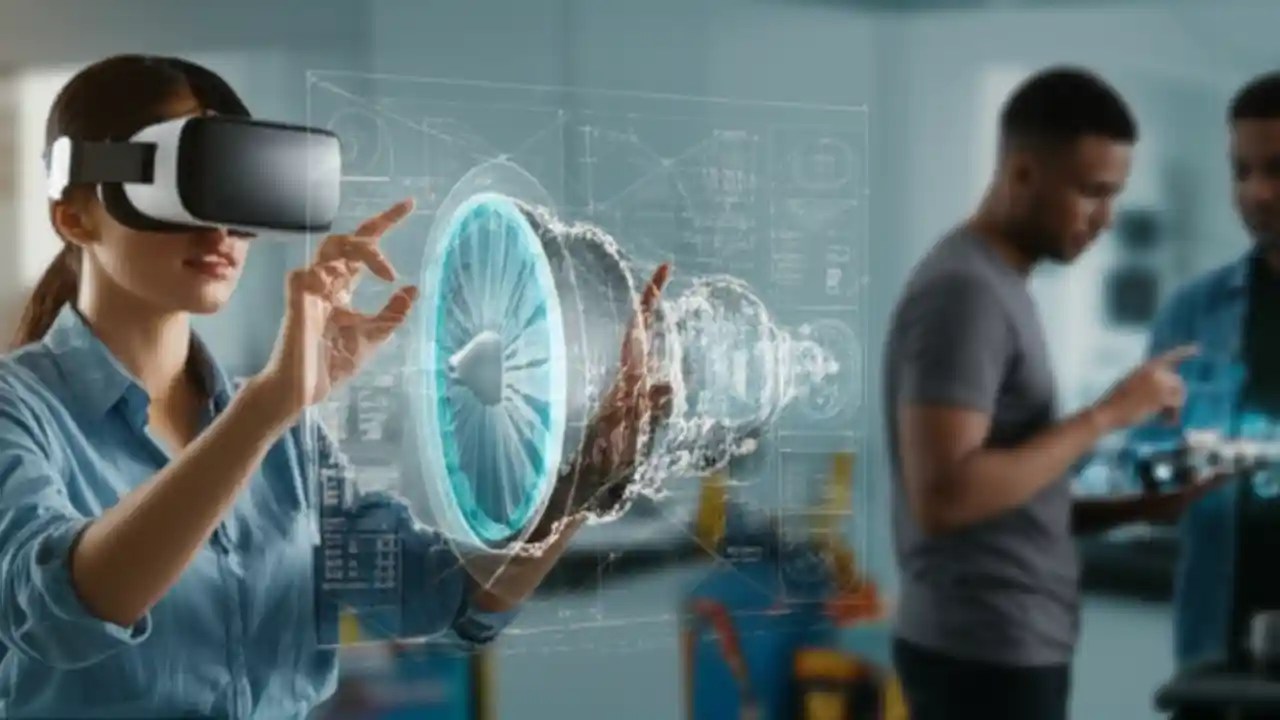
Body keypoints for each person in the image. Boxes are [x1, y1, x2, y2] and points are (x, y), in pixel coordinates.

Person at [0, 54, 672, 718]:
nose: (220, 231)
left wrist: (580, 481)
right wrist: (266, 408)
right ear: (75, 216)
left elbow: (448, 601)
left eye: (238, 193)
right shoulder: (22, 413)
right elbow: (58, 610)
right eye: (187, 183)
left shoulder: (284, 436)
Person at [884, 66, 1225, 720]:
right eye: (1091, 192)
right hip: (980, 655)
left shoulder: (1003, 284)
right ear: (1020, 175)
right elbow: (945, 498)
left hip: (1009, 647)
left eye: (1115, 194)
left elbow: (1006, 491)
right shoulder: (966, 292)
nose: (1106, 219)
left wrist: (1138, 509)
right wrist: (1110, 413)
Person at [1145, 71, 1280, 682]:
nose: (1257, 193)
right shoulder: (1191, 313)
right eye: (1242, 171)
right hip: (1216, 653)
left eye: (1277, 170)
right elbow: (1146, 470)